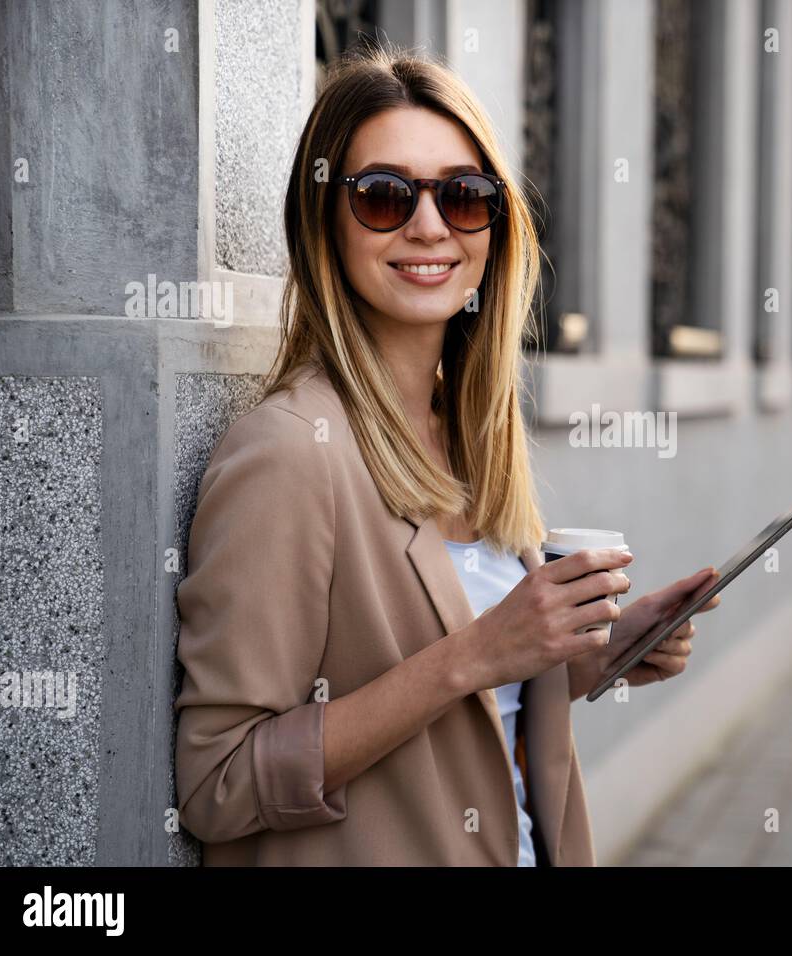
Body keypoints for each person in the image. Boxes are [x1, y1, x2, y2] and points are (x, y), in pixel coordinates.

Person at [172, 46, 721, 866]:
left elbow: (470, 690)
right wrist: (477, 652)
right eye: (385, 197)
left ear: (496, 228)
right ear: (324, 222)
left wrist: (587, 652)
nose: (429, 226)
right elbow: (219, 783)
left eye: (464, 196)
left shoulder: (467, 430)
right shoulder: (289, 455)